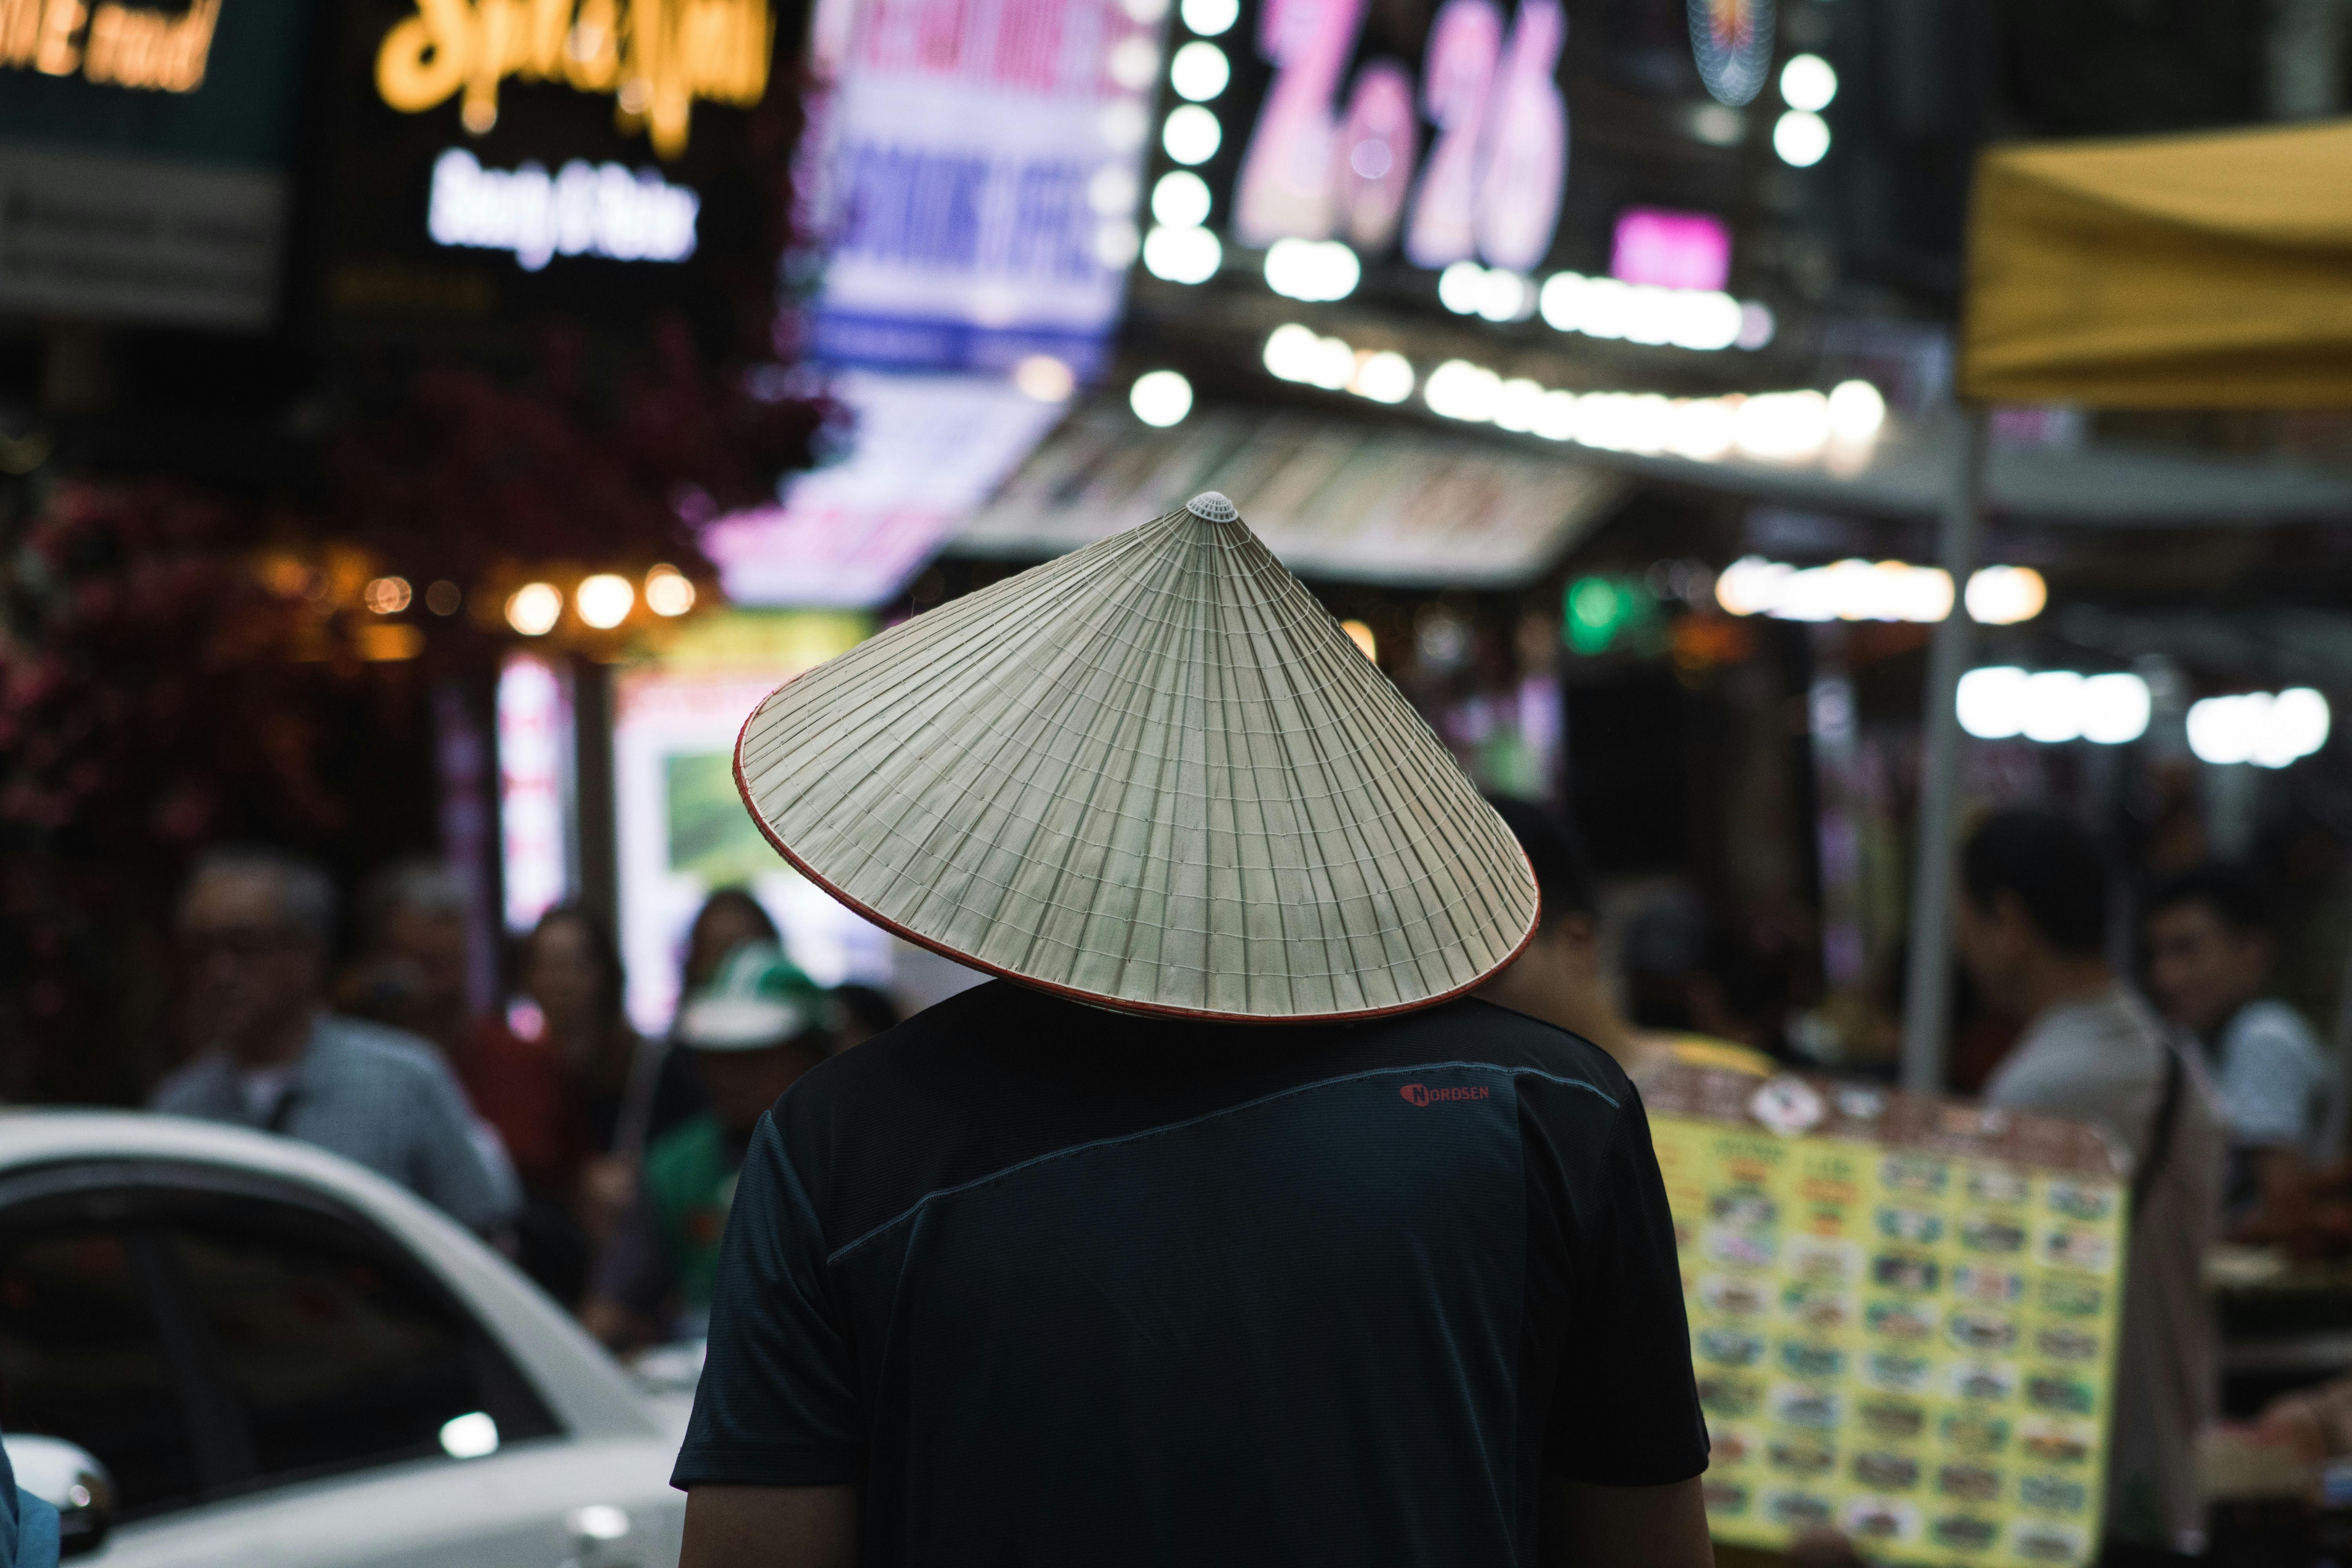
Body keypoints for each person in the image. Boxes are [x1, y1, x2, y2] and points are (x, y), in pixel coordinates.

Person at [672, 494, 1711, 1568]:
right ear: (1334, 806)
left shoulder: (841, 1144)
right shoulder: (1552, 1107)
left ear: (1013, 819)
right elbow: (1650, 1543)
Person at [1954, 809, 2221, 1562]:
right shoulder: (2170, 1057)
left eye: (1966, 920)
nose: (1961, 947)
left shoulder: (2042, 1089)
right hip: (2167, 1470)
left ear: (2007, 921)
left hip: (2094, 1498)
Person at [152, 847, 515, 1235]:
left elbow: (486, 1235)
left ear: (307, 953)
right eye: (201, 949)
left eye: (245, 945)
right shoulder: (180, 1109)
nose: (219, 971)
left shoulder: (404, 1084)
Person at [581, 944, 831, 1349]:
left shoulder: (855, 1163)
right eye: (719, 1054)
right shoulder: (675, 1167)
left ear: (812, 1053)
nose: (731, 1074)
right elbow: (611, 1307)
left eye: (755, 1054)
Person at [1478, 793, 1773, 1080]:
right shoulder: (1472, 1117)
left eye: (1490, 973)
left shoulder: (1744, 1092)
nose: (1465, 1001)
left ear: (1576, 942)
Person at [2147, 862, 2329, 1211]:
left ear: (2252, 953)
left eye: (2187, 949)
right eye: (2157, 954)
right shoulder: (2210, 1044)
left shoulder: (2265, 1035)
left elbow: (2285, 1209)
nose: (2165, 976)